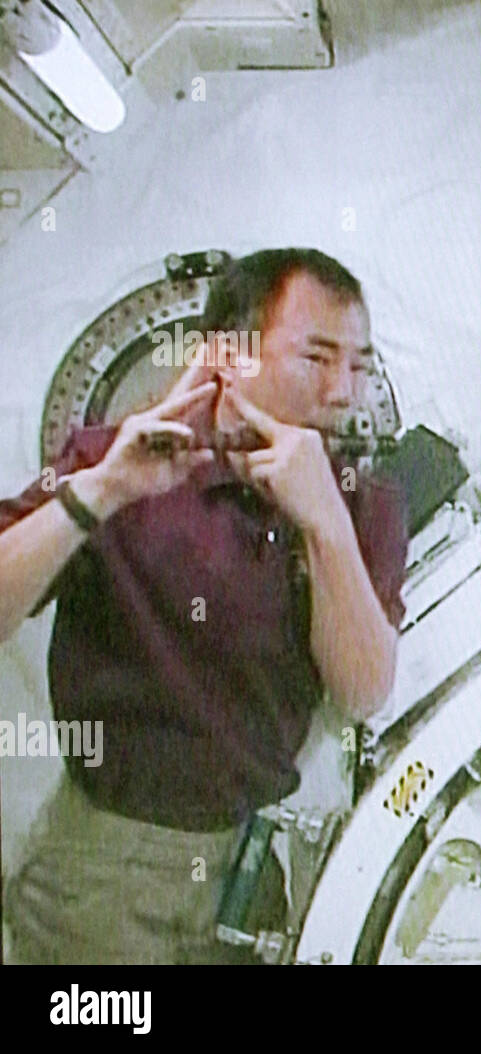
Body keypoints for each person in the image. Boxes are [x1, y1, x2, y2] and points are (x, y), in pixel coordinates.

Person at [0, 248, 409, 963]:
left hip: (251, 866)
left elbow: (363, 690)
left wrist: (326, 525)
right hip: (105, 875)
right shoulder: (112, 462)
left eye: (361, 365)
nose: (345, 391)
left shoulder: (359, 503)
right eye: (317, 358)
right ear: (226, 353)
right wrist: (103, 490)